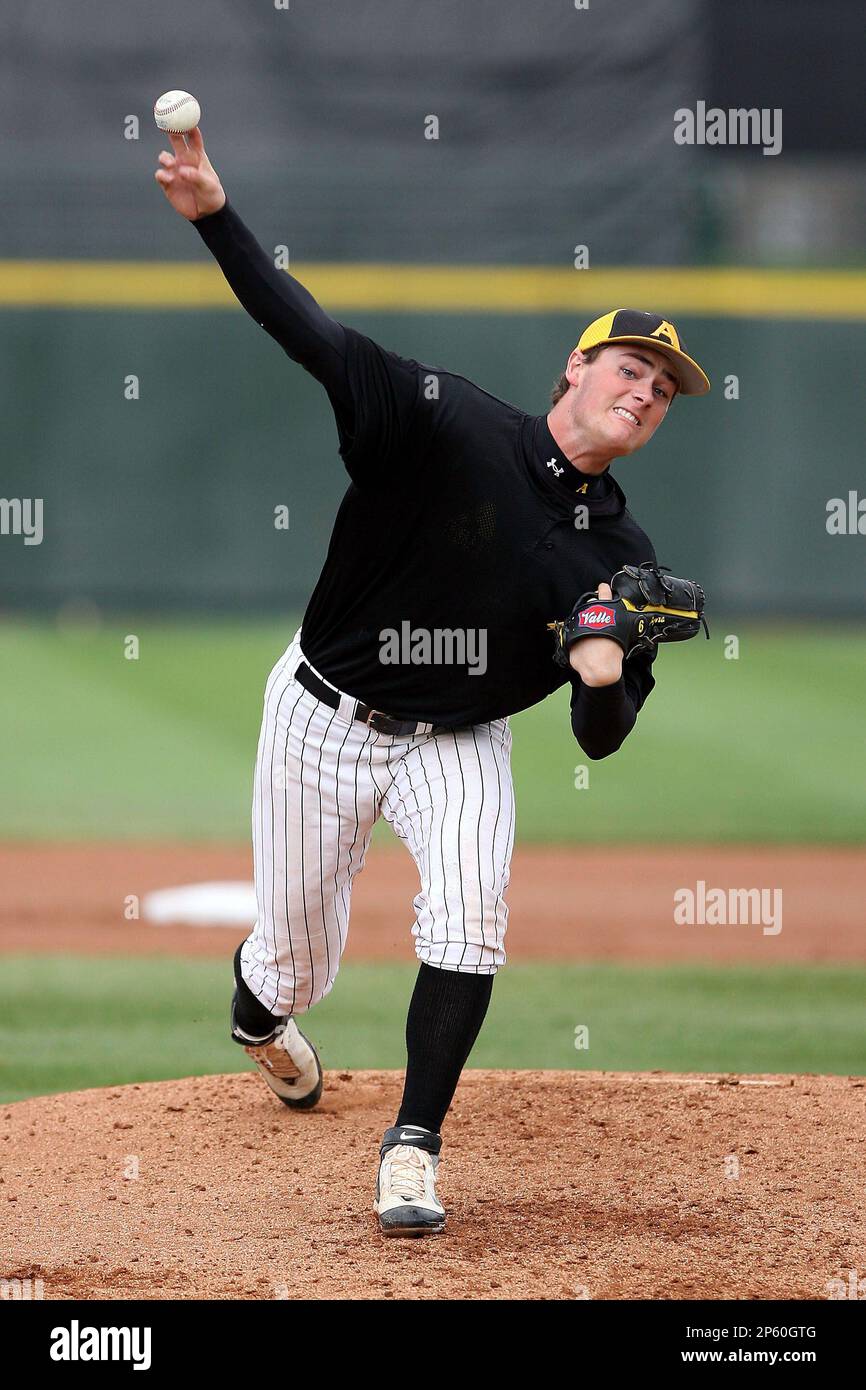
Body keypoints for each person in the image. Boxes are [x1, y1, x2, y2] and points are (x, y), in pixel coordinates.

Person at [155, 127, 710, 1237]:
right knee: (296, 961)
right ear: (575, 365)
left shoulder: (619, 562)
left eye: (661, 389)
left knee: (468, 918)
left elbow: (600, 738)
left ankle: (411, 1146)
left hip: (456, 740)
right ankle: (260, 1007)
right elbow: (307, 333)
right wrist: (216, 214)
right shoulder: (441, 419)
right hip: (320, 712)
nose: (642, 394)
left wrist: (598, 666)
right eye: (627, 369)